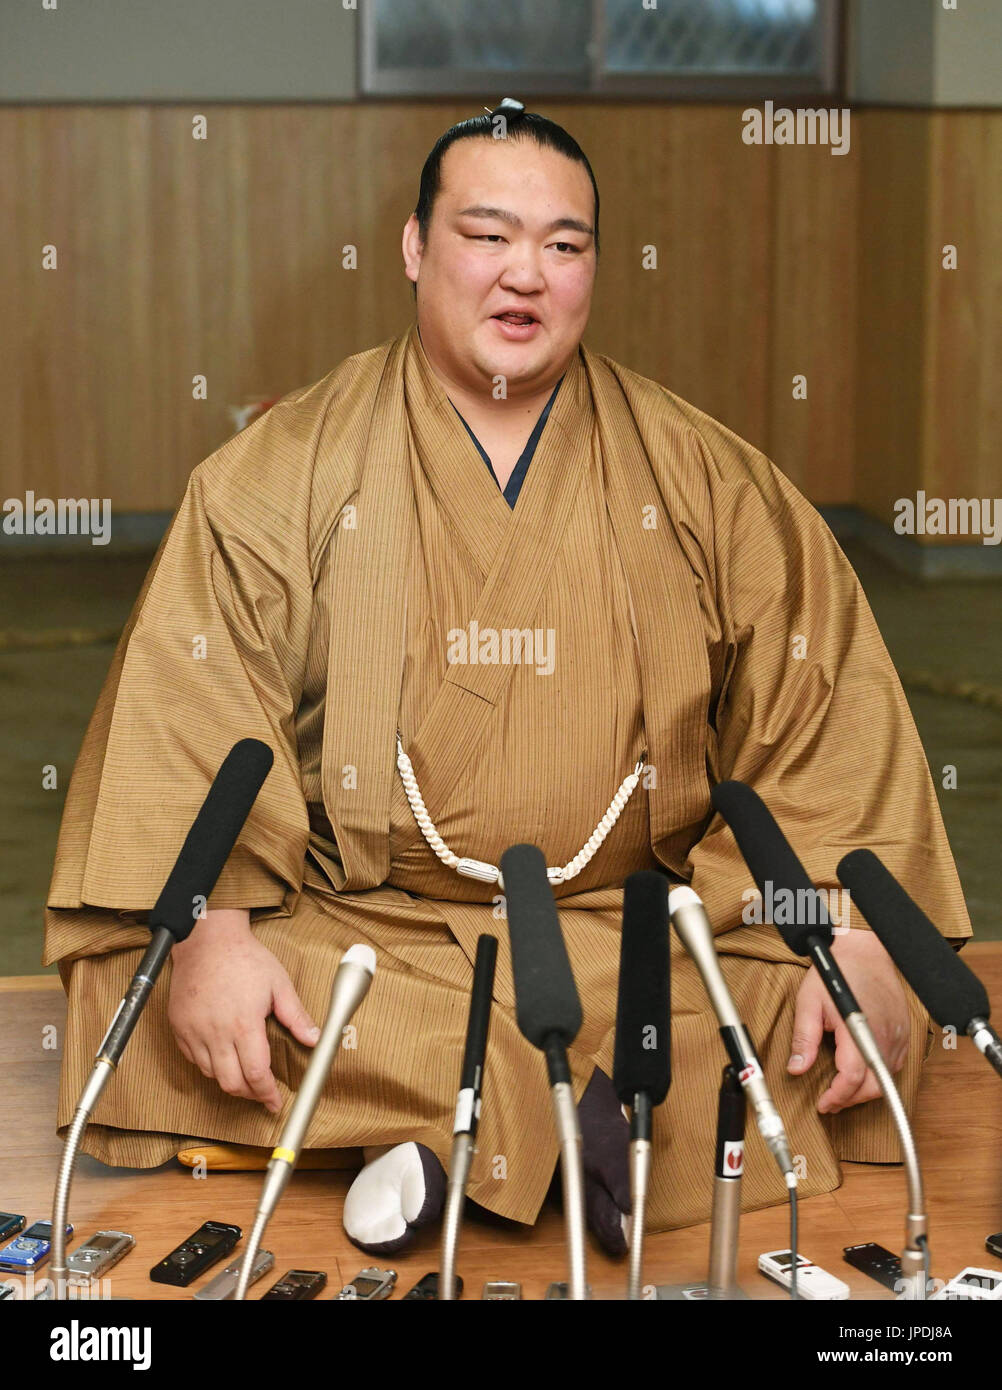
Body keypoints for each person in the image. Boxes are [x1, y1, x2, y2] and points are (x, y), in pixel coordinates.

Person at [44, 101, 971, 1256]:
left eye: (564, 244)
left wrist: (862, 942)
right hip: (369, 933)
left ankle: (428, 1143)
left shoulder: (705, 477)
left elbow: (822, 724)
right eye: (486, 235)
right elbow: (197, 710)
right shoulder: (279, 474)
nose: (524, 274)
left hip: (638, 931)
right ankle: (604, 1136)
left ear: (596, 265)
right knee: (141, 990)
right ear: (415, 248)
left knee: (811, 1004)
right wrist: (217, 932)